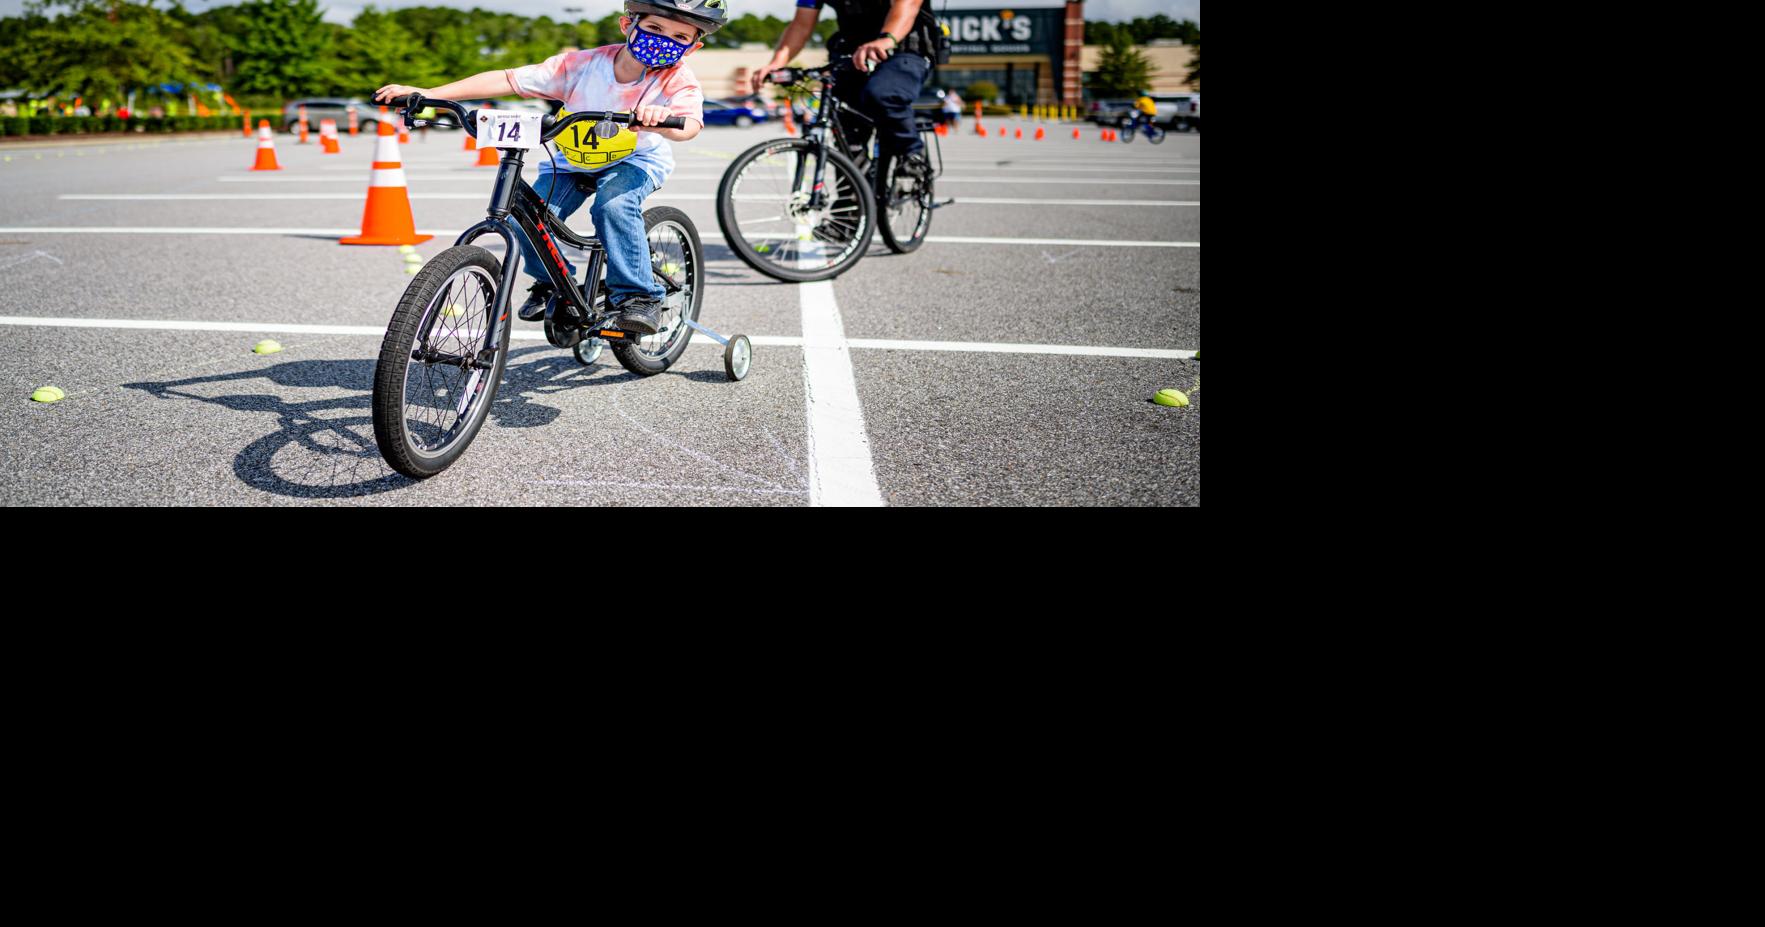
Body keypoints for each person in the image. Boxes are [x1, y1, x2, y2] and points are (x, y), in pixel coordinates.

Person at [373, 0, 720, 335]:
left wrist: (661, 122)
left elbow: (689, 125)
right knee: (523, 218)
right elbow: (510, 80)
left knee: (613, 206)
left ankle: (639, 296)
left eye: (679, 37)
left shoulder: (677, 79)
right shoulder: (582, 65)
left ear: (692, 48)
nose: (663, 41)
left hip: (635, 161)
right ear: (628, 24)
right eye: (655, 28)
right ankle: (552, 282)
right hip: (570, 162)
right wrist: (431, 92)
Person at [750, 0, 939, 202]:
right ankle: (849, 215)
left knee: (882, 94)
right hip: (853, 49)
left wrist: (886, 39)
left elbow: (908, 5)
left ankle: (912, 155)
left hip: (904, 46)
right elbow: (801, 24)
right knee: (844, 129)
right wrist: (776, 64)